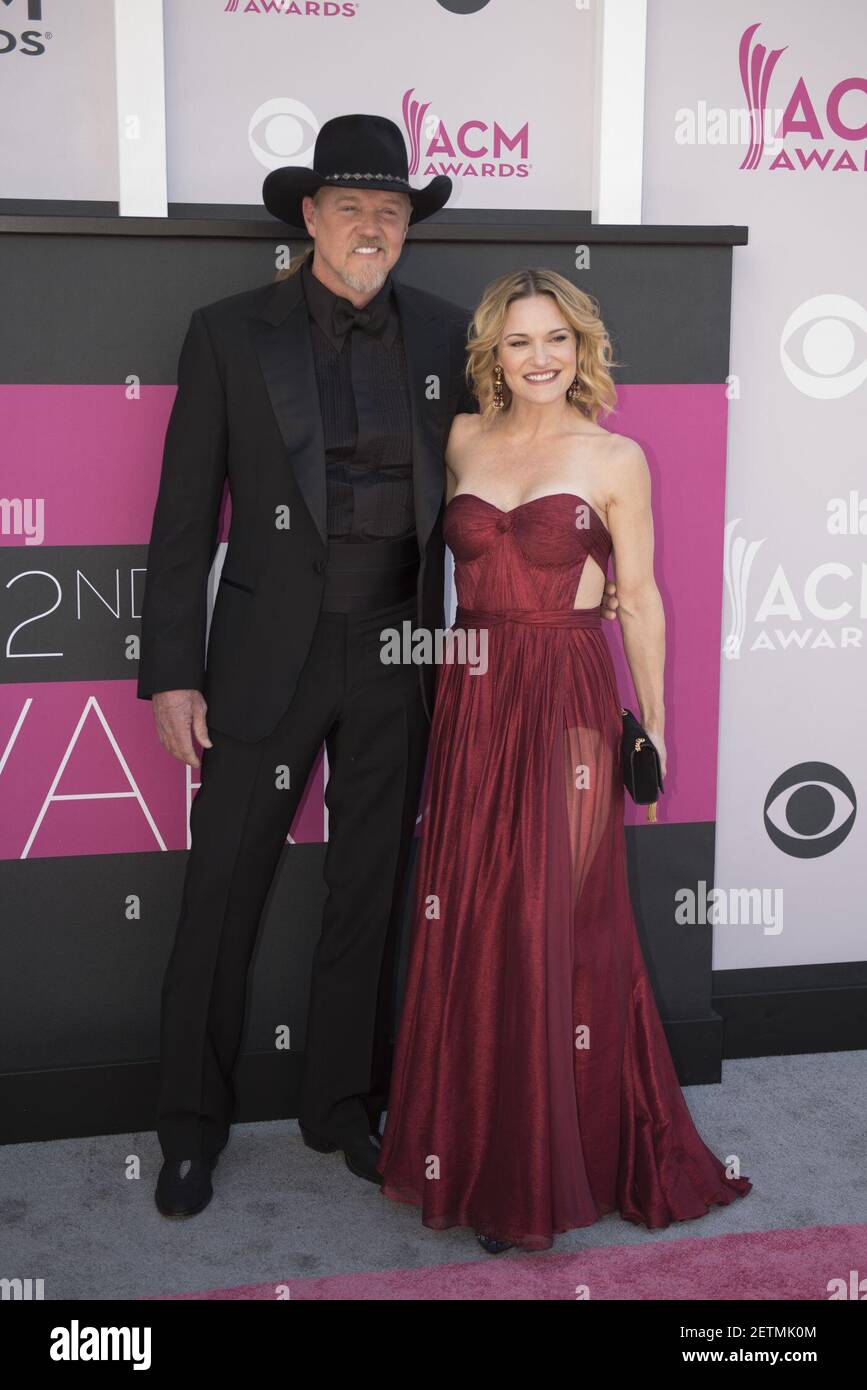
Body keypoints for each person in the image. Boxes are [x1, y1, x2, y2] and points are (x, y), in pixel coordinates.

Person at [137, 113, 621, 1218]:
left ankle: (341, 1106)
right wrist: (173, 669)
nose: (370, 227)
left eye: (390, 212)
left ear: (409, 227)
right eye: (349, 207)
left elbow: (525, 457)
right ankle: (188, 1128)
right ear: (308, 216)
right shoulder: (226, 333)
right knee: (223, 889)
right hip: (266, 653)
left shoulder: (454, 337)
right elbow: (178, 518)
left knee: (373, 888)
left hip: (404, 653)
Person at [376, 268, 752, 1253]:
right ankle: (474, 1149)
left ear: (582, 348)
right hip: (472, 694)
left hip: (569, 697)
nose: (539, 358)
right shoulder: (461, 438)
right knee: (473, 911)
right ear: (491, 356)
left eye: (556, 340)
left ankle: (552, 1159)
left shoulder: (615, 455)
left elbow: (644, 598)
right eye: (518, 342)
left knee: (557, 916)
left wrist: (657, 724)